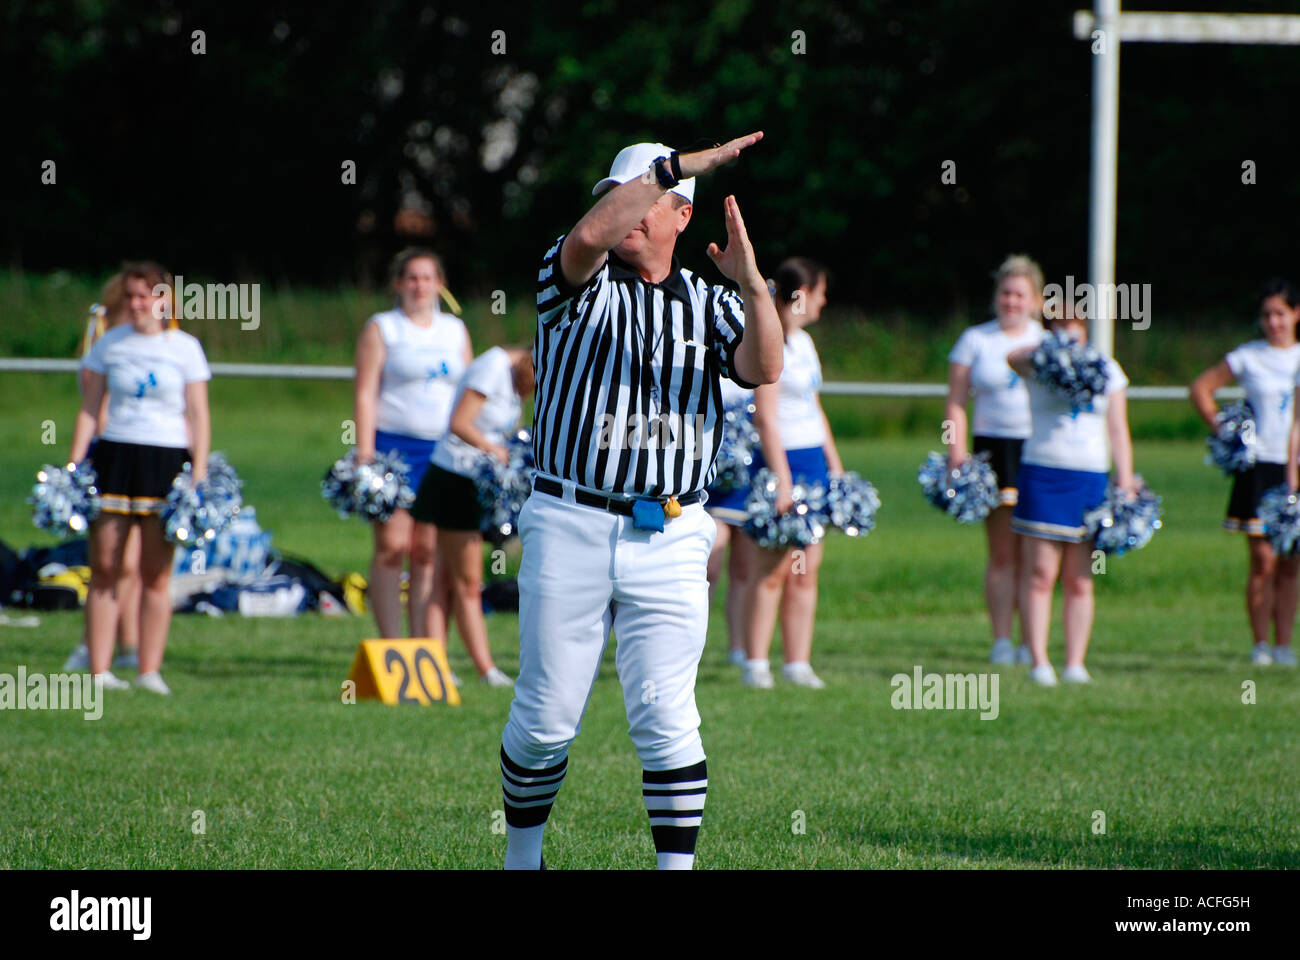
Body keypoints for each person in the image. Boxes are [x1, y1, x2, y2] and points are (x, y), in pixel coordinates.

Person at [498, 134, 782, 870]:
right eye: (619, 193)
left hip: (674, 529)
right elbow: (591, 233)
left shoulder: (706, 301)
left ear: (680, 218)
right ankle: (522, 861)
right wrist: (672, 170)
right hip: (572, 519)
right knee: (546, 718)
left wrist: (754, 286)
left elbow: (764, 364)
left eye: (645, 200)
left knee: (666, 718)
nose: (624, 210)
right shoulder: (576, 281)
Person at [68, 261, 211, 694]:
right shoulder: (110, 343)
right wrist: (74, 466)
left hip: (165, 460)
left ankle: (149, 671)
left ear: (164, 300)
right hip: (115, 457)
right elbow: (91, 409)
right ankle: (99, 669)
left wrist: (198, 471)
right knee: (106, 568)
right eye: (130, 296)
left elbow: (198, 413)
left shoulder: (185, 347)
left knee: (156, 574)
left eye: (144, 296)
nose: (135, 304)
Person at [1007, 308, 1135, 686]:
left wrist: (1125, 481)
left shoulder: (1107, 367)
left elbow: (1118, 428)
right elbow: (1012, 358)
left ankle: (1076, 663)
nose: (1068, 331)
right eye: (1057, 325)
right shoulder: (1038, 365)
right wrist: (1053, 351)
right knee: (1040, 573)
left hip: (1091, 477)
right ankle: (1039, 662)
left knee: (1080, 578)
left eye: (1074, 324)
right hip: (1043, 472)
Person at [734, 257, 843, 690]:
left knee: (806, 568)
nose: (824, 300)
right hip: (780, 463)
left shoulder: (806, 344)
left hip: (813, 461)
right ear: (801, 296)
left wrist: (834, 465)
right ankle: (756, 662)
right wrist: (781, 478)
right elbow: (766, 418)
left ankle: (797, 662)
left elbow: (815, 407)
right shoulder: (770, 338)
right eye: (820, 292)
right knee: (773, 567)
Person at [353, 249, 470, 640]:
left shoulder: (454, 331)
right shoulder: (383, 327)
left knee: (427, 552)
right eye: (412, 278)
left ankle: (425, 648)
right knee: (392, 546)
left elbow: (469, 394)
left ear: (440, 284)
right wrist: (365, 454)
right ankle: (391, 646)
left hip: (441, 451)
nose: (420, 286)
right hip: (393, 450)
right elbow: (366, 393)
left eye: (427, 278)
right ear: (399, 283)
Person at [410, 345, 535, 686]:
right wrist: (495, 450)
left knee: (447, 580)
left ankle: (436, 665)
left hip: (470, 482)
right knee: (466, 582)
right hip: (454, 479)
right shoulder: (493, 366)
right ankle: (484, 669)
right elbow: (459, 423)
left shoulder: (514, 373)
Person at [944, 255, 1046, 666]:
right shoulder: (975, 340)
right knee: (1002, 553)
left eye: (1020, 294)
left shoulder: (1047, 340)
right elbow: (955, 402)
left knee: (1035, 554)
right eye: (1005, 292)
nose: (1011, 301)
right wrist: (957, 452)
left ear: (1035, 299)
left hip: (1039, 450)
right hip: (992, 451)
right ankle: (1002, 641)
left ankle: (1031, 642)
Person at [1199, 278, 1300, 667]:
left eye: (1280, 313)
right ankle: (1260, 644)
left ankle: (1285, 645)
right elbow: (1201, 388)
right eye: (1266, 315)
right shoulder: (1249, 357)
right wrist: (1228, 432)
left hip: (1294, 467)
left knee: (1290, 562)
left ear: (1295, 314)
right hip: (1259, 467)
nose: (1273, 322)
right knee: (1262, 560)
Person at [64, 275, 142, 673]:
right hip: (110, 452)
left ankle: (128, 646)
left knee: (132, 562)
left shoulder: (168, 330)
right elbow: (90, 391)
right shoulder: (105, 327)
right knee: (112, 561)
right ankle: (91, 648)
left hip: (149, 452)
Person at [704, 373, 756, 667]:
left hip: (750, 470)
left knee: (744, 569)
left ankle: (738, 648)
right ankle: (690, 641)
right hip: (712, 474)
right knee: (709, 567)